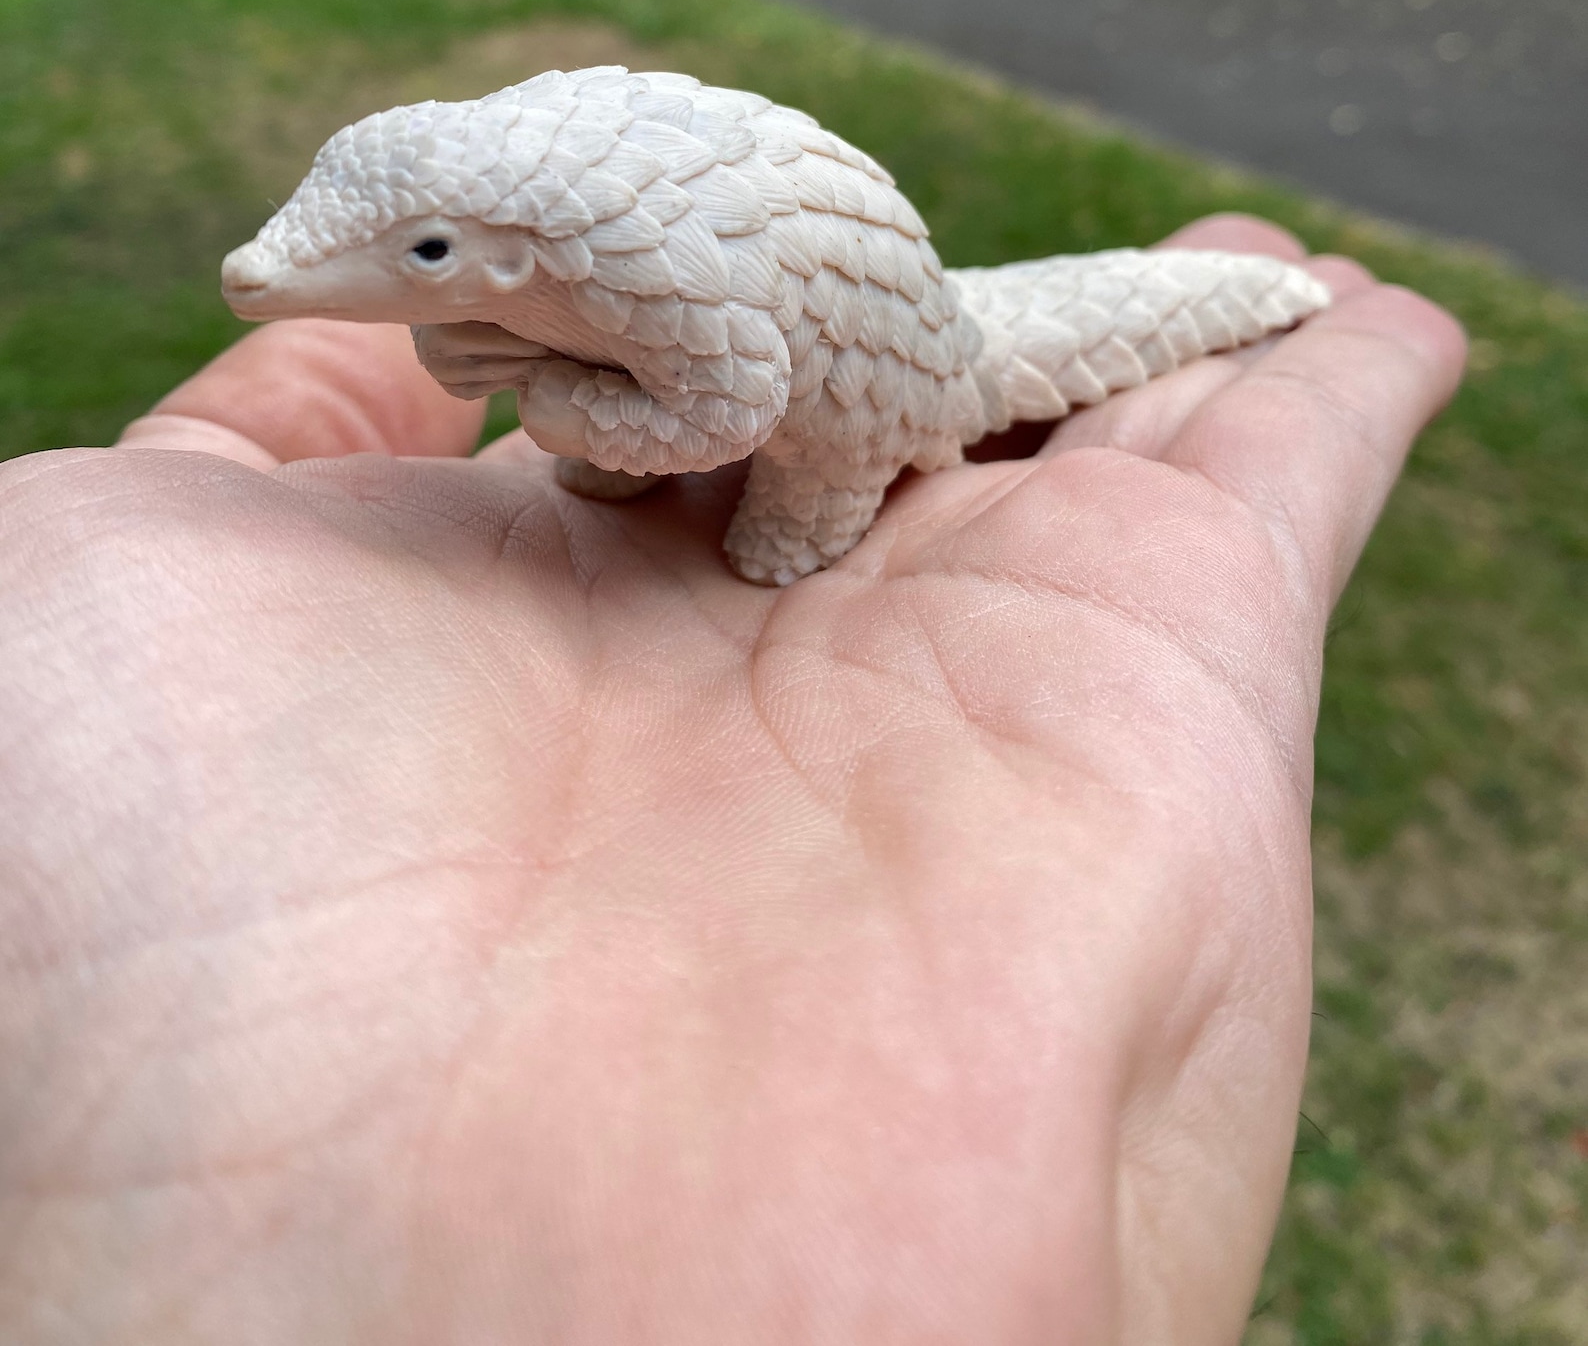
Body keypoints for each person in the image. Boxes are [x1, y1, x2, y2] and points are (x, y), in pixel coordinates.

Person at [0, 213, 1463, 1340]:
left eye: (438, 254)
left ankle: (791, 497)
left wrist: (575, 408)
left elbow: (728, 393)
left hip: (840, 399)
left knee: (793, 488)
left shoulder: (668, 294)